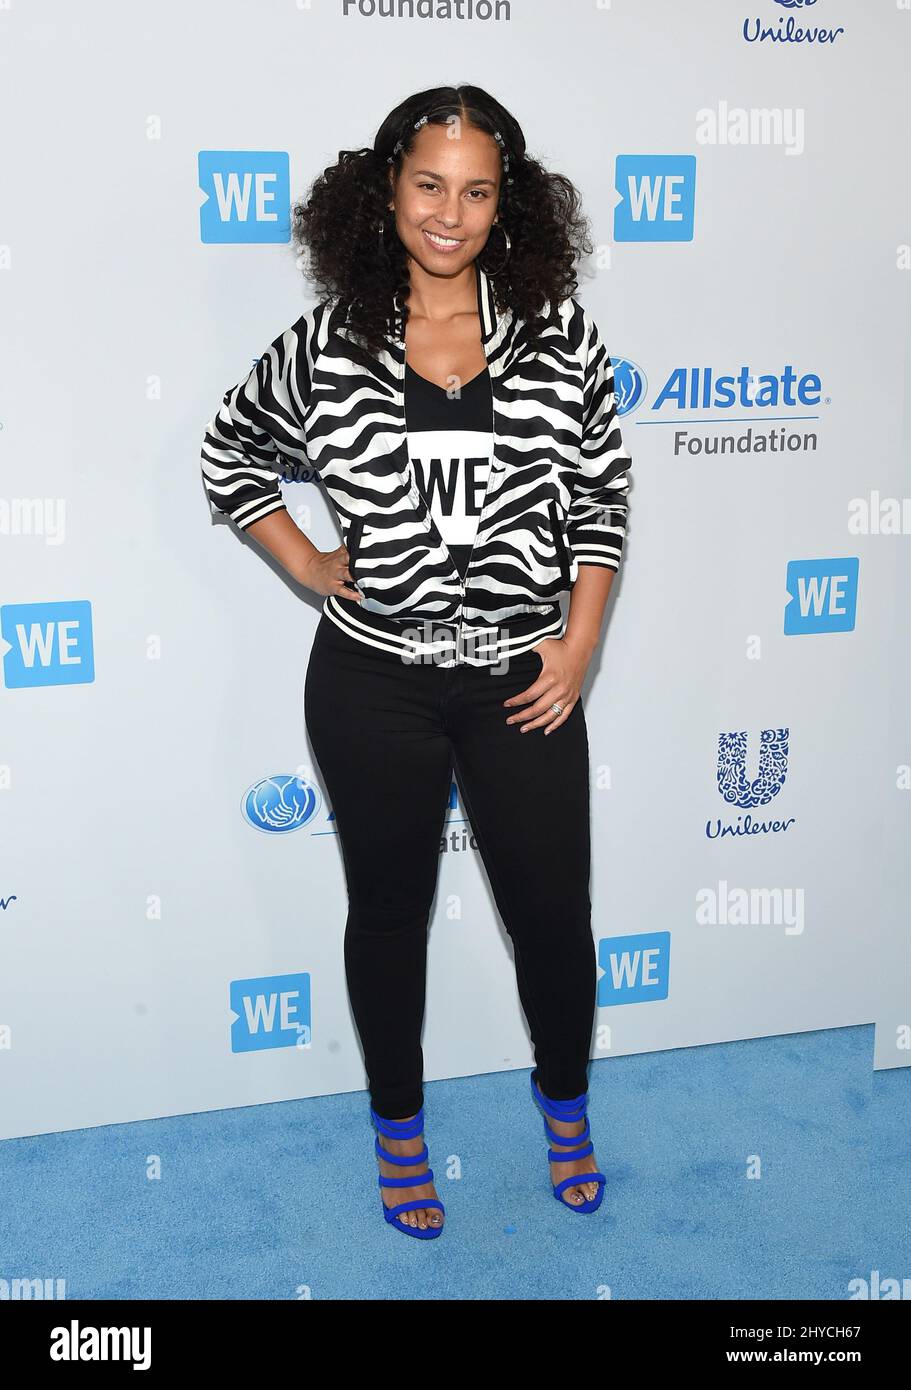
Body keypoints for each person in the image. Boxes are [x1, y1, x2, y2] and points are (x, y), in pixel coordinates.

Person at [201, 85, 632, 1240]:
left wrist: (579, 641)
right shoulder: (329, 341)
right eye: (428, 184)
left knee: (551, 912)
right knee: (387, 910)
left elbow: (598, 493)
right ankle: (397, 1130)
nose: (450, 213)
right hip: (372, 684)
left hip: (520, 683)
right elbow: (231, 450)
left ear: (509, 204)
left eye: (477, 190)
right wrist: (306, 561)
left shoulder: (555, 332)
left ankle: (564, 1104)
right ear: (385, 189)